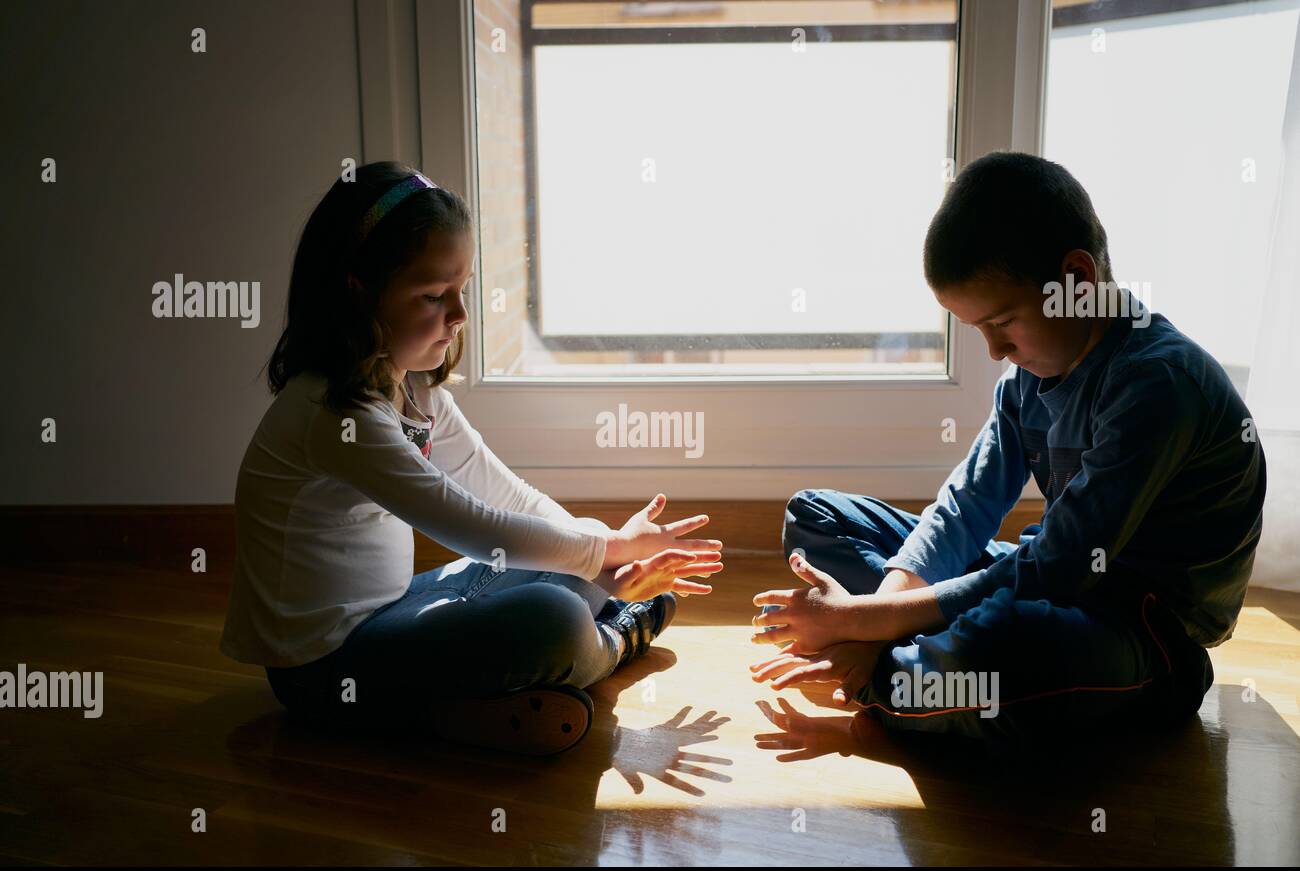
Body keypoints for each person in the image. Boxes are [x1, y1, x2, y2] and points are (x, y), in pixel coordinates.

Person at [750, 151, 1267, 756]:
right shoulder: (1027, 380)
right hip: (1050, 579)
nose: (994, 350)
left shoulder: (1156, 384)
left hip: (1143, 627)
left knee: (1004, 645)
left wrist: (858, 623)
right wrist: (873, 614)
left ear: (1076, 281)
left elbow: (1060, 567)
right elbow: (963, 511)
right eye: (977, 330)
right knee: (816, 519)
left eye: (1002, 323)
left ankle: (885, 683)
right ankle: (909, 669)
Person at [221, 162, 723, 756]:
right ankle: (610, 640)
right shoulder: (335, 415)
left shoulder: (413, 388)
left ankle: (467, 708)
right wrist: (609, 558)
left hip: (394, 613)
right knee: (553, 619)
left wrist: (601, 548)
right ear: (358, 294)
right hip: (327, 672)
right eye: (434, 296)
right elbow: (475, 528)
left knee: (576, 537)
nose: (458, 315)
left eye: (462, 290)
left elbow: (507, 498)